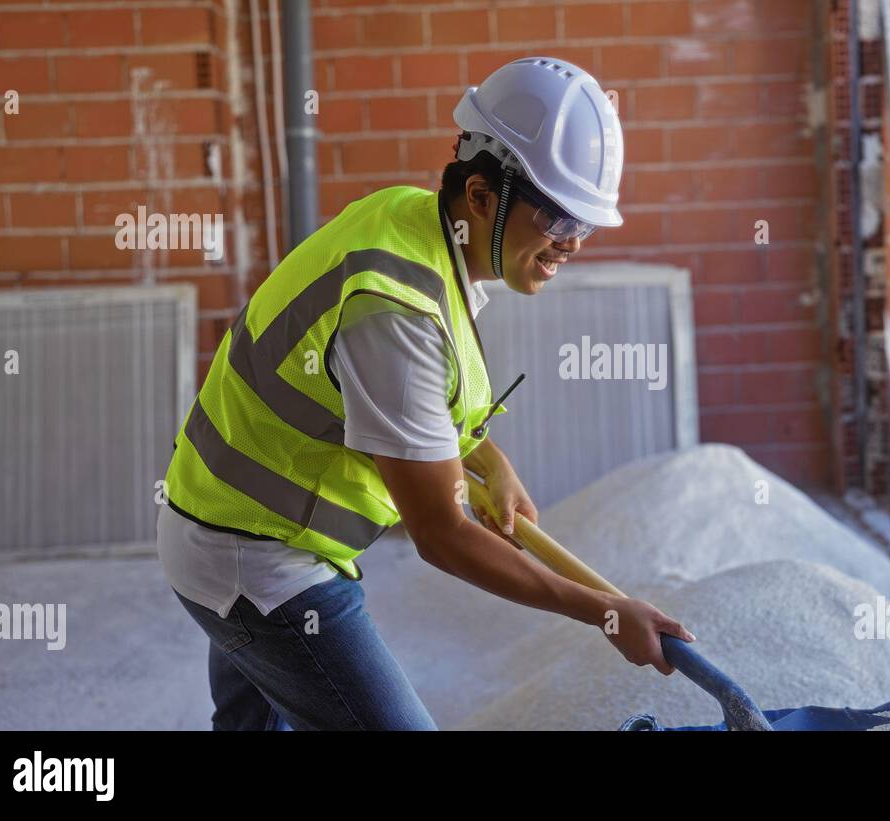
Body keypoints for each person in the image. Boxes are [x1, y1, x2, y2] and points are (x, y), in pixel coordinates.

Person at [156, 57, 695, 731]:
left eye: (584, 224)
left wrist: (492, 464)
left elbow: (426, 404)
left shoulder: (414, 224)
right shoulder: (395, 311)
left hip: (220, 523)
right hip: (256, 555)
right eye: (557, 218)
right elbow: (442, 536)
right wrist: (605, 611)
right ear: (480, 195)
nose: (571, 244)